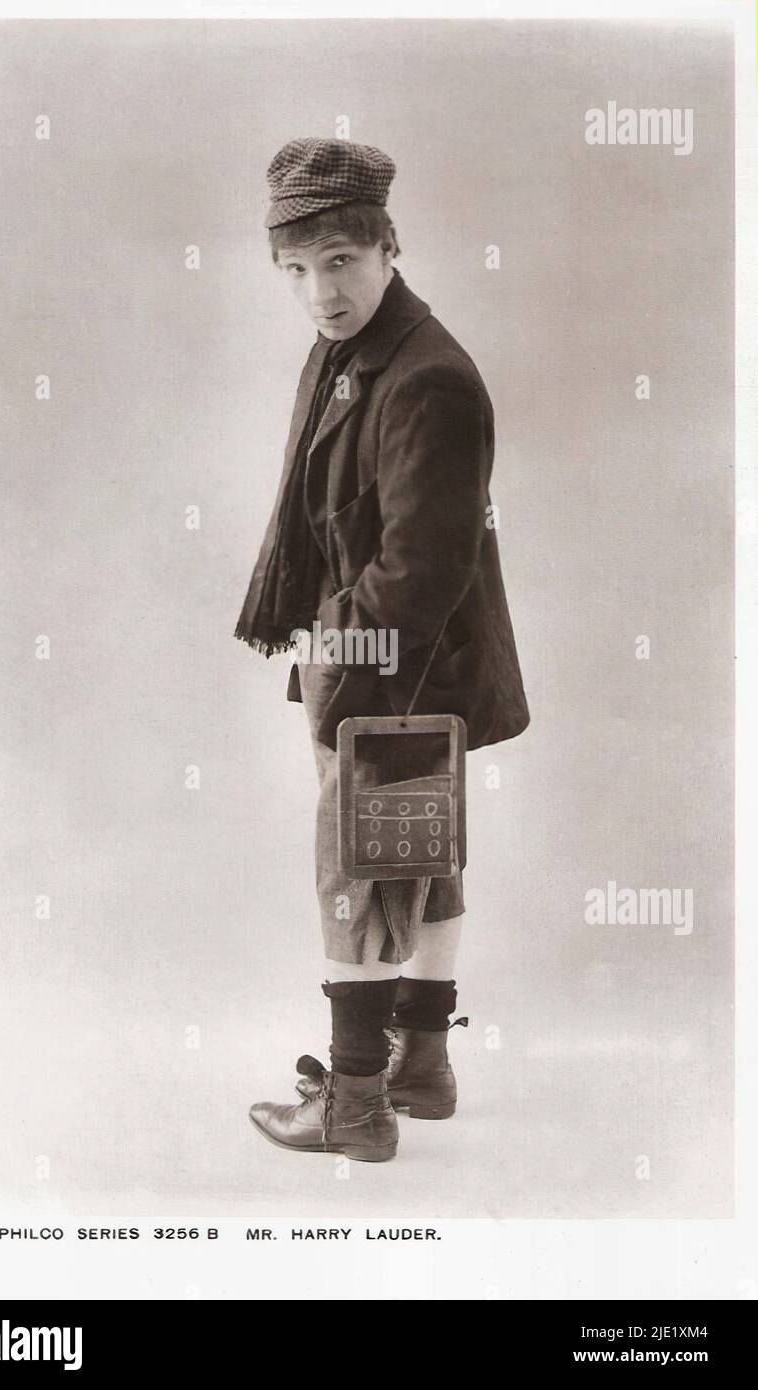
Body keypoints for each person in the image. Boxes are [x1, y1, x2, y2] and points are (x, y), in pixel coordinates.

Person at [234, 137, 530, 1162]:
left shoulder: (427, 379)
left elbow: (419, 567)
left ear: (387, 246)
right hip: (406, 663)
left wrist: (332, 668)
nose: (320, 291)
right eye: (297, 270)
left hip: (392, 667)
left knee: (360, 872)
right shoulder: (355, 353)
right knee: (422, 863)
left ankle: (355, 1100)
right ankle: (419, 1064)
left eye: (341, 263)